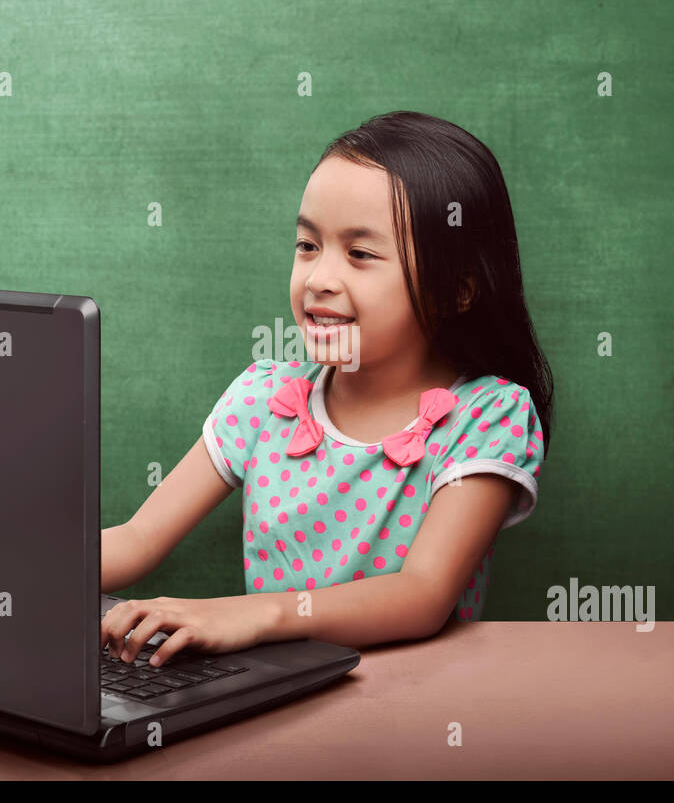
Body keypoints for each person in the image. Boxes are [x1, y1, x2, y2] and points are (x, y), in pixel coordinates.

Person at [100, 111, 554, 668]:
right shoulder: (264, 398)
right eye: (308, 245)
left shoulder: (486, 416)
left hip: (416, 704)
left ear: (457, 291)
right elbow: (137, 538)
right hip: (273, 698)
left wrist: (255, 614)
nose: (318, 279)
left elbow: (423, 594)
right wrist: (9, 569)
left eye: (360, 254)